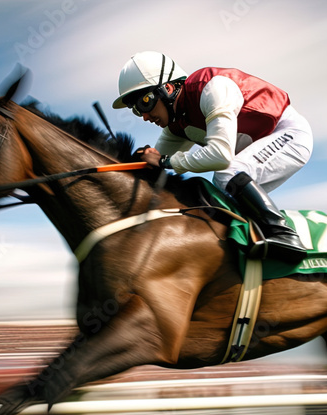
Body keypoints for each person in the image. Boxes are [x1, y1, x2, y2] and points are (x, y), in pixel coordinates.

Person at [112, 51, 313, 263]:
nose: (144, 116)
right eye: (136, 110)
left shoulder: (212, 89)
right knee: (220, 194)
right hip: (260, 145)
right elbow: (153, 163)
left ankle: (284, 235)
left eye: (145, 102)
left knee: (226, 174)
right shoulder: (176, 125)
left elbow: (220, 156)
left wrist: (164, 161)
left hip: (288, 134)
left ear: (167, 89)